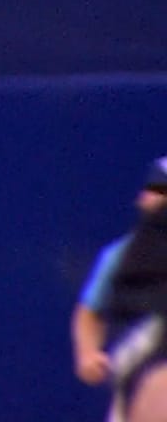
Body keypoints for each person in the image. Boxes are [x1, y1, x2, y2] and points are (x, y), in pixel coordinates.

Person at [75, 158, 167, 422]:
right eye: (157, 189)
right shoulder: (121, 256)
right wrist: (88, 354)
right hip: (140, 387)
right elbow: (88, 312)